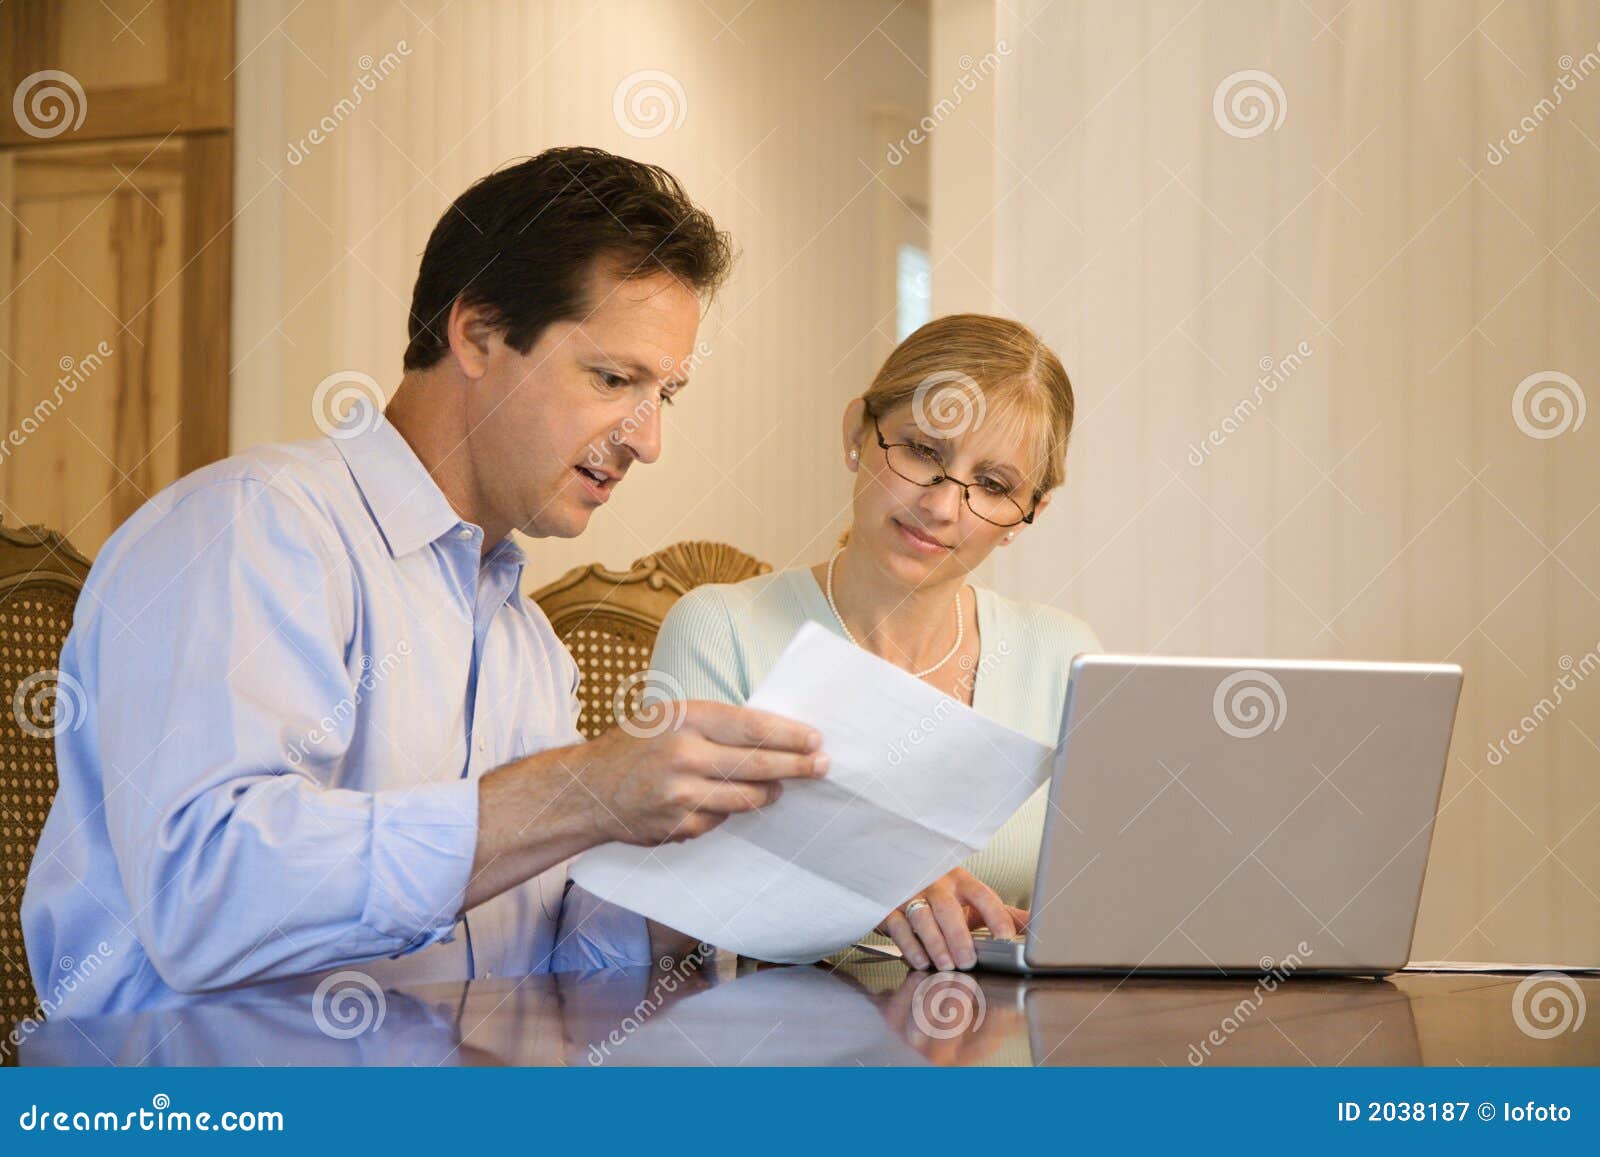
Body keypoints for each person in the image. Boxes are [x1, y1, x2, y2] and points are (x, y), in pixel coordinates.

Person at [21, 146, 828, 1018]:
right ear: (477, 332)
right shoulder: (248, 528)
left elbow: (558, 967)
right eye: (612, 378)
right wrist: (581, 790)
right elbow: (205, 892)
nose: (647, 438)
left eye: (663, 393)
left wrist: (736, 858)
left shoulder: (529, 645)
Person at [650, 313, 1099, 972]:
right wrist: (861, 881)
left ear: (1024, 517)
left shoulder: (1065, 656)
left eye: (995, 485)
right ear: (858, 432)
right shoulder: (720, 630)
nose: (943, 507)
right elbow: (669, 915)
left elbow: (1098, 909)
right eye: (924, 451)